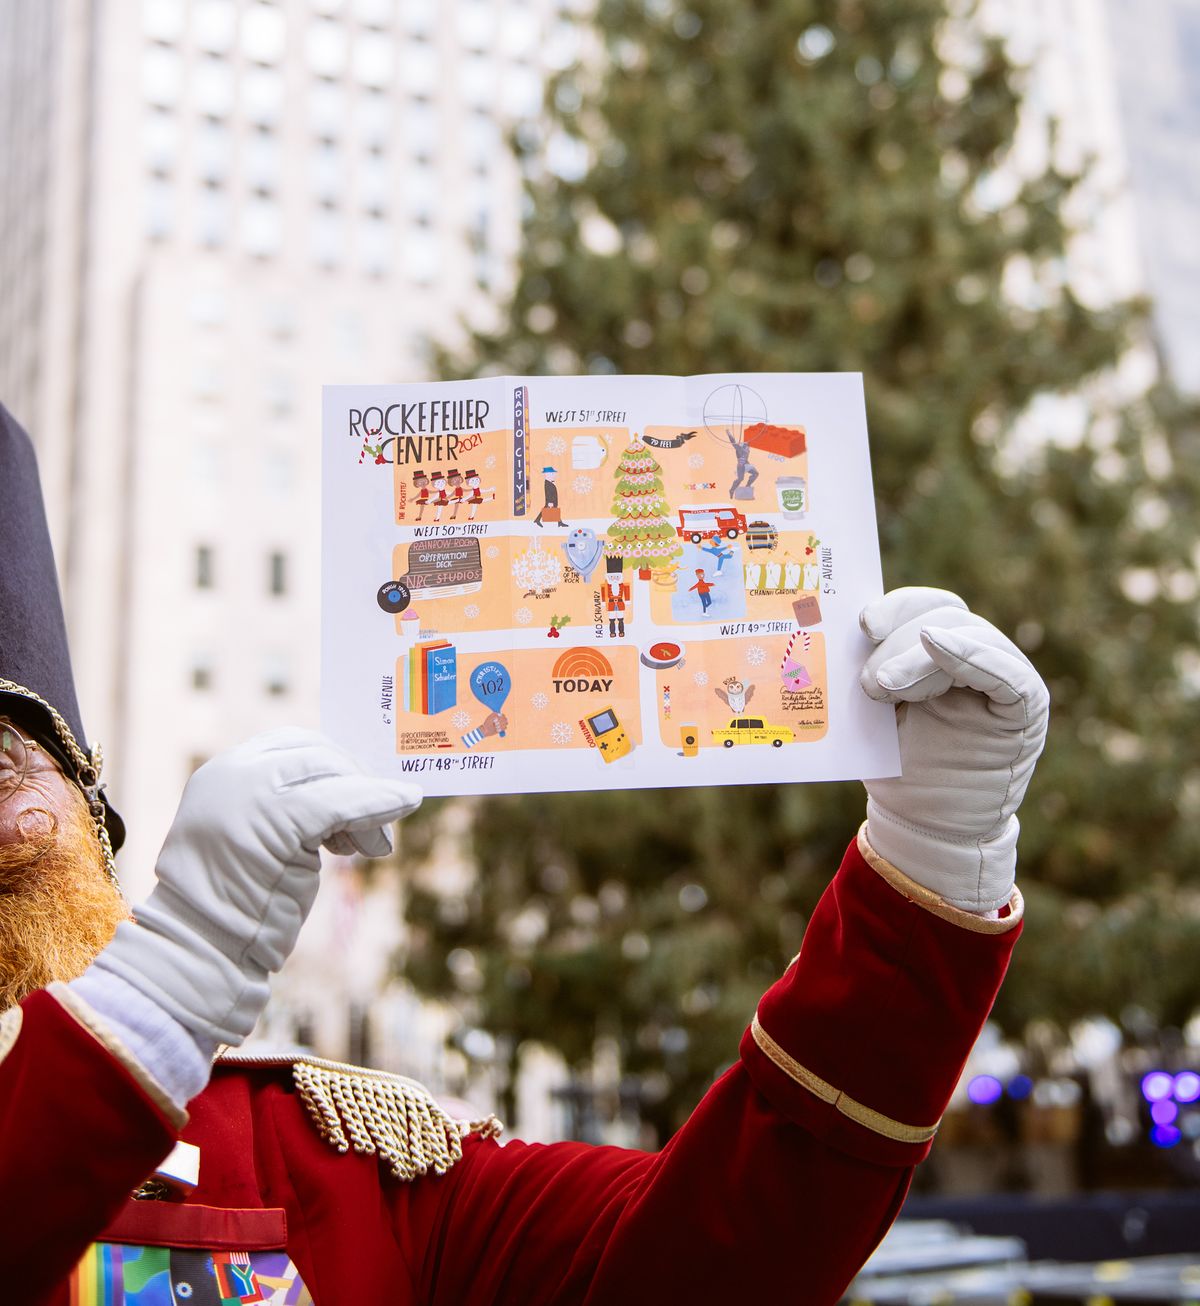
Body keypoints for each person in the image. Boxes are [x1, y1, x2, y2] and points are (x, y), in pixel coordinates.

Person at [0, 404, 1049, 1304]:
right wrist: (158, 992)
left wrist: (929, 859)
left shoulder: (330, 1152)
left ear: (90, 810)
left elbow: (718, 1260)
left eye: (9, 763)